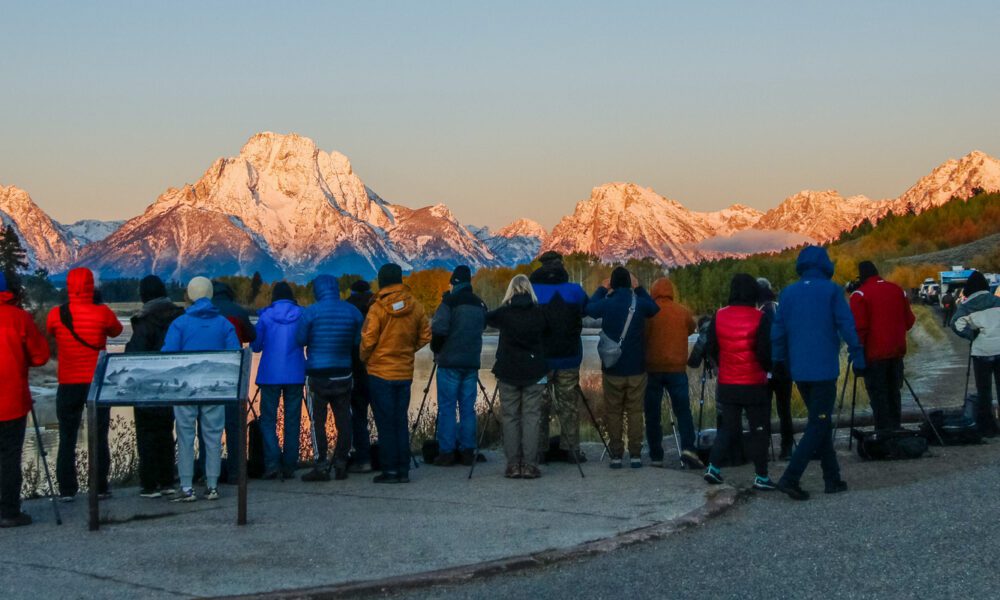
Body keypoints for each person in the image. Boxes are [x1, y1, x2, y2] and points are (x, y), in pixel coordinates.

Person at [773, 247, 865, 500]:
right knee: (819, 423)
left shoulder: (788, 293)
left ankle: (832, 478)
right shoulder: (832, 290)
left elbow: (778, 331)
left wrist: (778, 360)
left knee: (820, 421)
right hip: (824, 368)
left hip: (798, 371)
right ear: (825, 264)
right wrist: (858, 355)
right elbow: (847, 325)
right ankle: (790, 478)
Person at [46, 267, 123, 501]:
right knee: (98, 435)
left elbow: (50, 332)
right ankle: (99, 487)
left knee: (67, 436)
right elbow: (117, 330)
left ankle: (67, 490)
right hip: (97, 382)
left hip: (68, 382)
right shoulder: (103, 312)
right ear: (92, 286)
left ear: (68, 287)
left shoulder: (56, 314)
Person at [162, 277, 240, 502]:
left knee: (186, 436)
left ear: (190, 295)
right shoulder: (224, 324)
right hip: (215, 387)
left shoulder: (180, 323)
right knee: (213, 436)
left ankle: (186, 487)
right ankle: (212, 485)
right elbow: (234, 354)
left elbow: (168, 355)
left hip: (185, 389)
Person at [702, 274, 776, 490]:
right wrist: (769, 369)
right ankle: (761, 476)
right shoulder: (760, 317)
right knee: (759, 429)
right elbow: (765, 353)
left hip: (728, 383)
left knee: (728, 428)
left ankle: (713, 468)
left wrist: (722, 365)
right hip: (754, 384)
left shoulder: (719, 315)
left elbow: (712, 347)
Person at [360, 264, 431, 483]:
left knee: (385, 422)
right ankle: (403, 469)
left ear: (381, 281)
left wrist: (366, 358)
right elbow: (426, 335)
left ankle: (390, 470)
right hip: (404, 372)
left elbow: (368, 340)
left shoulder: (377, 308)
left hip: (380, 373)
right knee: (400, 421)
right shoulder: (416, 306)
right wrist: (408, 349)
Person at [586, 267, 659, 469]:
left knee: (613, 412)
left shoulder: (607, 303)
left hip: (613, 369)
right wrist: (640, 288)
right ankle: (635, 455)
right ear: (629, 284)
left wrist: (601, 288)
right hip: (637, 368)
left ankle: (616, 455)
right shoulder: (639, 303)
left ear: (613, 285)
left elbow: (589, 308)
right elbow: (654, 308)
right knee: (635, 412)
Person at [296, 275, 363, 481]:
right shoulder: (353, 312)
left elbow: (300, 339)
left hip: (317, 374)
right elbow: (357, 341)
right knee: (344, 420)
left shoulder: (310, 313)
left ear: (317, 290)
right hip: (343, 372)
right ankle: (341, 462)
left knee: (318, 421)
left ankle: (321, 465)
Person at [125, 275, 184, 498]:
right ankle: (168, 479)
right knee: (165, 432)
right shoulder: (178, 317)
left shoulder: (145, 322)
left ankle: (150, 484)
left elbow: (134, 353)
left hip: (147, 386)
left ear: (143, 295)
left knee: (146, 433)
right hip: (172, 384)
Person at [487, 274, 549, 479]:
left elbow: (485, 318)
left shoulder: (503, 314)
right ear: (529, 290)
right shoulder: (539, 313)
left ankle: (513, 465)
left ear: (511, 291)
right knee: (531, 418)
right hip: (534, 370)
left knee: (510, 418)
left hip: (508, 370)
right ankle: (530, 465)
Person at [530, 251, 589, 464]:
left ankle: (538, 451)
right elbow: (586, 309)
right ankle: (571, 450)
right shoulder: (575, 291)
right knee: (569, 406)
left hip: (540, 360)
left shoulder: (532, 291)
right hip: (569, 357)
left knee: (539, 406)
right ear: (561, 266)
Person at [0, 273, 50, 527]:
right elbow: (41, 356)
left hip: (13, 399)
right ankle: (8, 512)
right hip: (11, 400)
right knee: (9, 456)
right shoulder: (19, 318)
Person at [643, 277, 703, 469]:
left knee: (652, 413)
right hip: (677, 369)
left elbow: (642, 334)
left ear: (653, 291)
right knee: (683, 411)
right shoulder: (682, 312)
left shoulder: (648, 312)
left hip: (652, 369)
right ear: (671, 292)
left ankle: (656, 455)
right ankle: (688, 448)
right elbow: (691, 329)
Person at [430, 266, 487, 467]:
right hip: (471, 363)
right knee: (467, 408)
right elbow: (483, 326)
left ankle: (446, 452)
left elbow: (438, 329)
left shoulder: (449, 302)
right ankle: (467, 450)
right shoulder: (480, 303)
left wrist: (435, 349)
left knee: (447, 408)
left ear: (454, 283)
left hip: (449, 363)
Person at [849, 262, 916, 431]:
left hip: (874, 354)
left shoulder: (860, 294)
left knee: (879, 395)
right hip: (897, 352)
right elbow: (910, 321)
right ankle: (896, 430)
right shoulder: (897, 290)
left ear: (861, 277)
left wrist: (857, 356)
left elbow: (859, 329)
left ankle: (884, 433)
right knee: (894, 392)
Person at [251, 282, 306, 480]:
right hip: (296, 374)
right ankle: (290, 465)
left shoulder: (265, 316)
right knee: (292, 420)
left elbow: (256, 347)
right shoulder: (301, 314)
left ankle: (272, 462)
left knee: (268, 420)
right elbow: (305, 339)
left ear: (273, 297)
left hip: (270, 375)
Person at [211, 281, 256, 484]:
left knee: (208, 426)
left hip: (207, 377)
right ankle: (236, 472)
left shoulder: (198, 313)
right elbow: (251, 336)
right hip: (233, 373)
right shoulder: (238, 311)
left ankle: (209, 472)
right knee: (235, 425)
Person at [951, 271, 1000, 437]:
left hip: (982, 352)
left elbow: (955, 324)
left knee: (984, 392)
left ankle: (988, 428)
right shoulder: (997, 301)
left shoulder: (966, 306)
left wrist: (971, 334)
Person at [758, 278, 795, 458]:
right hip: (785, 366)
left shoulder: (758, 314)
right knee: (784, 410)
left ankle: (763, 448)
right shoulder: (782, 308)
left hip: (766, 368)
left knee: (764, 411)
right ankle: (787, 447)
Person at [345, 279, 374, 472]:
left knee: (357, 415)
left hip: (353, 370)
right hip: (378, 369)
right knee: (384, 414)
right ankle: (391, 456)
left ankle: (361, 457)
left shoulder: (346, 310)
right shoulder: (377, 309)